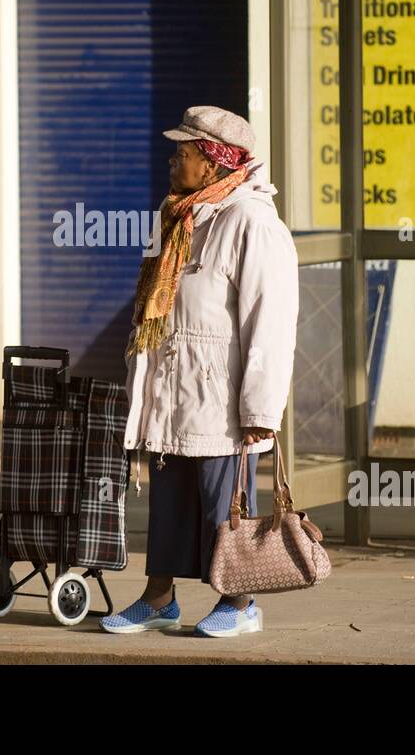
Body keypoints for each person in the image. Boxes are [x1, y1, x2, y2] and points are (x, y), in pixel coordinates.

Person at [101, 105, 299, 638]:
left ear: (213, 163)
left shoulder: (253, 223)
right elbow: (153, 311)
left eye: (183, 152)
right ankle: (159, 598)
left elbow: (271, 321)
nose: (172, 159)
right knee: (169, 502)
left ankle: (239, 600)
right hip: (173, 390)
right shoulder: (176, 215)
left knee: (224, 505)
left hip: (220, 397)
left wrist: (261, 408)